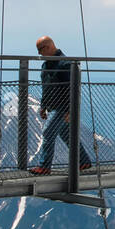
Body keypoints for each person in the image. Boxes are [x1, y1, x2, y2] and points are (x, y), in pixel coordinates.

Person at [29, 35, 92, 175]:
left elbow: (73, 88)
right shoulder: (46, 65)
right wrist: (43, 106)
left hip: (62, 108)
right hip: (53, 107)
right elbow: (45, 87)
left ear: (49, 46)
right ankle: (84, 161)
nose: (39, 53)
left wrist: (71, 110)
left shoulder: (66, 64)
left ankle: (44, 167)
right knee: (67, 136)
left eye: (40, 49)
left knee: (47, 133)